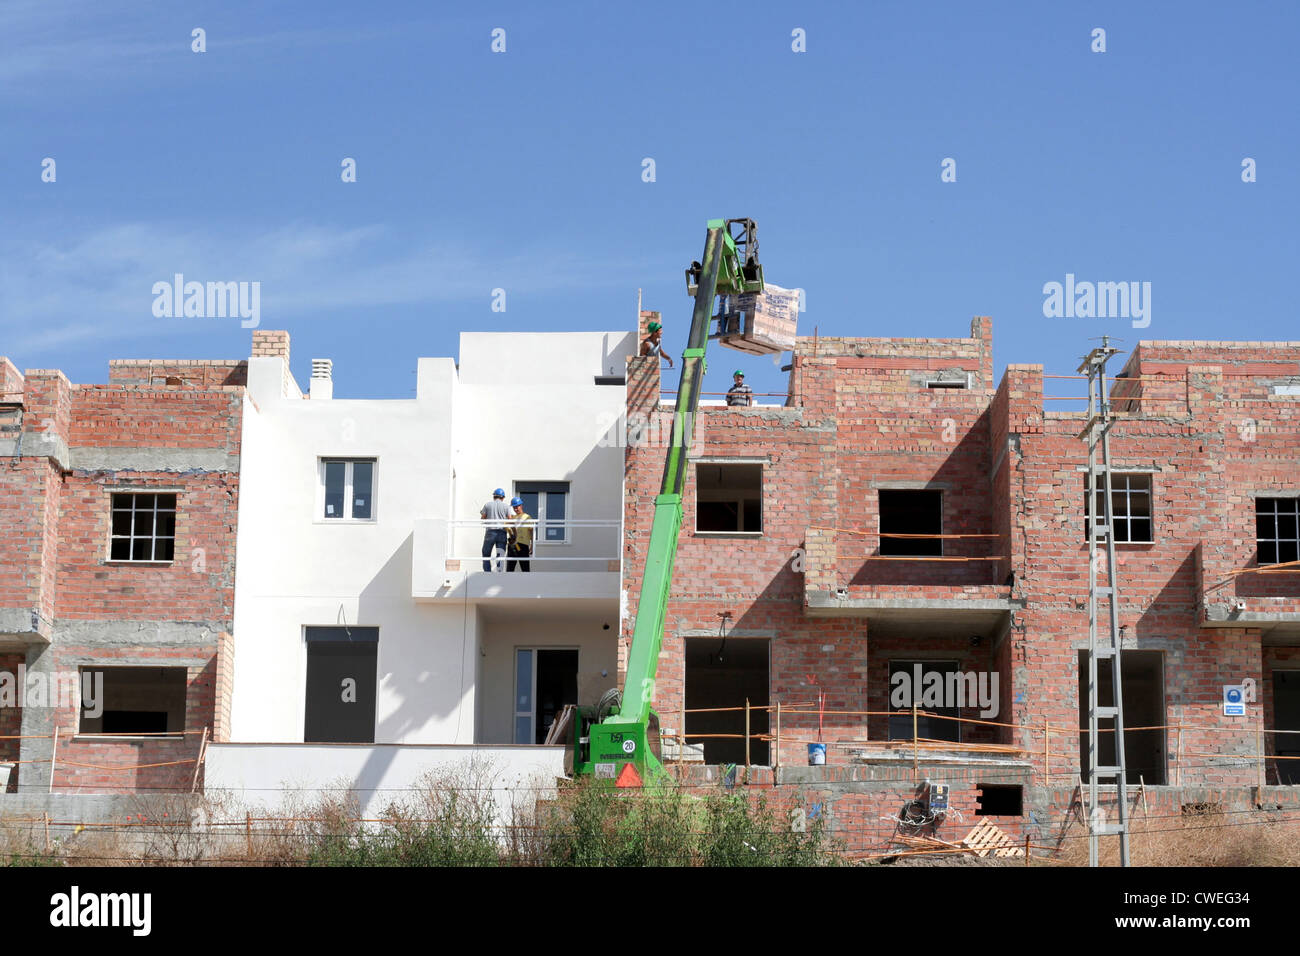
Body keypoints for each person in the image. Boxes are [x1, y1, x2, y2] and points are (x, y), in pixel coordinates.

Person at [480, 488, 511, 571]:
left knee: (486, 553)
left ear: (494, 496)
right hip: (502, 532)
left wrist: (485, 516)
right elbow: (510, 520)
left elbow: (483, 518)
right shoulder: (506, 506)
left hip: (490, 532)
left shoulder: (487, 505)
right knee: (500, 554)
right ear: (503, 497)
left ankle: (487, 572)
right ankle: (499, 573)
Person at [507, 496, 533, 572]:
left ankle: (527, 583)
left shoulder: (527, 517)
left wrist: (532, 545)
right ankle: (508, 584)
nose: (515, 509)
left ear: (521, 505)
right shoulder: (512, 517)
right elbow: (509, 529)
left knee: (525, 568)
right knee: (510, 569)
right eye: (514, 507)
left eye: (517, 507)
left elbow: (531, 531)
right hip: (513, 545)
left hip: (523, 545)